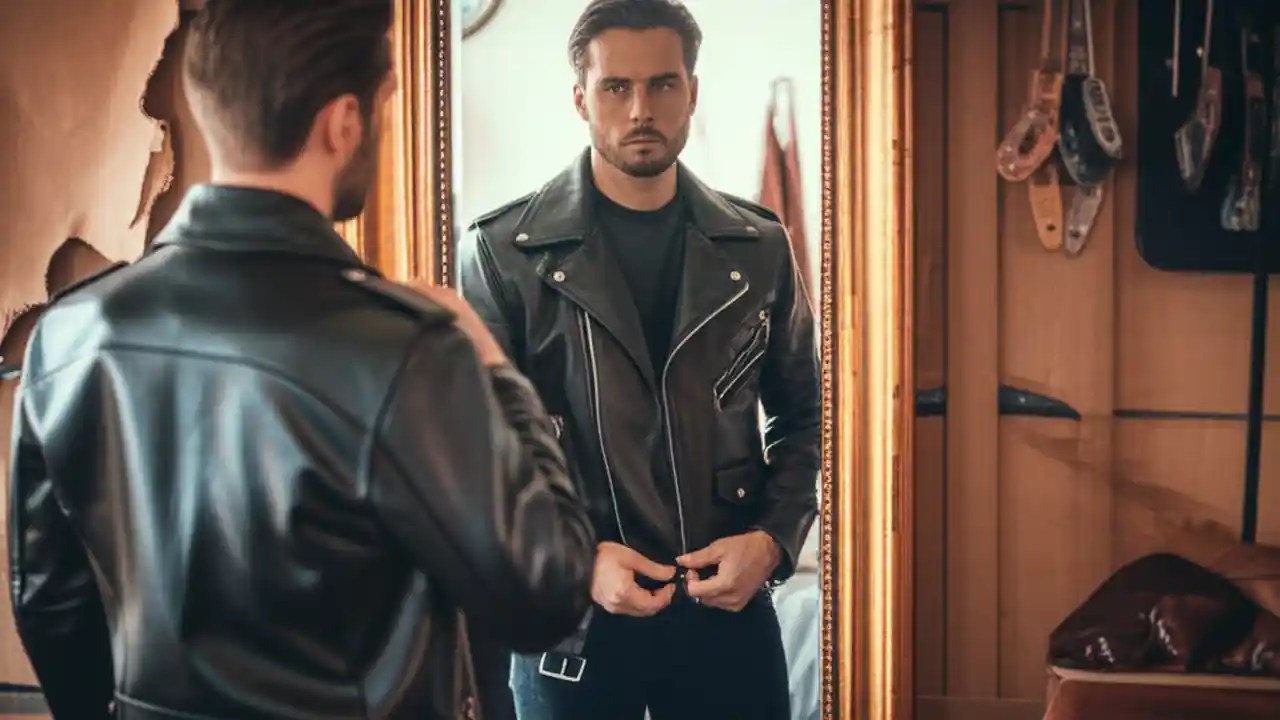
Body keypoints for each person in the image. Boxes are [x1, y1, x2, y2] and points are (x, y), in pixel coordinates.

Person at [7, 2, 595, 719]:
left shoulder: (70, 331)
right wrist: (498, 374)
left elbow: (48, 599)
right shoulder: (406, 347)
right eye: (383, 108)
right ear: (344, 121)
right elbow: (546, 598)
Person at [457, 0, 820, 717]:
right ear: (580, 99)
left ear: (692, 92)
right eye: (616, 88)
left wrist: (774, 542)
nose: (640, 109)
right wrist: (577, 560)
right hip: (575, 619)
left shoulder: (759, 245)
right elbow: (480, 451)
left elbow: (805, 413)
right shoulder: (502, 255)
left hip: (728, 610)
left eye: (662, 84)